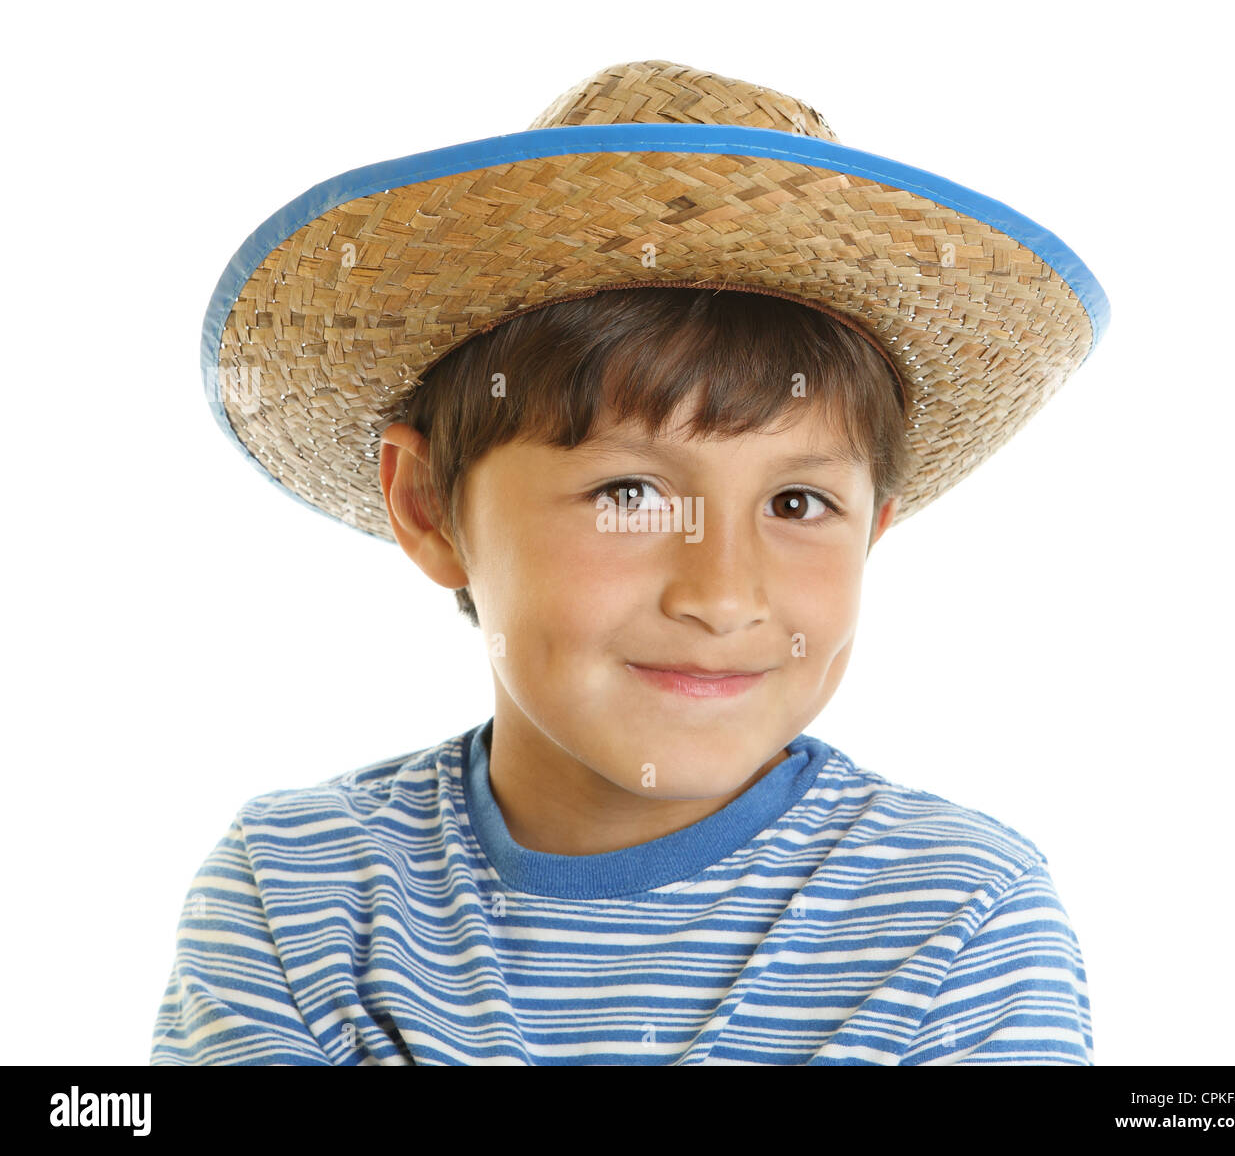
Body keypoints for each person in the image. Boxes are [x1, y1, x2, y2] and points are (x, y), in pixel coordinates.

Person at [151, 59, 1107, 1065]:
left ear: (873, 529)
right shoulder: (300, 896)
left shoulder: (957, 917)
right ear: (428, 505)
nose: (722, 593)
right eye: (629, 495)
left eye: (796, 502)